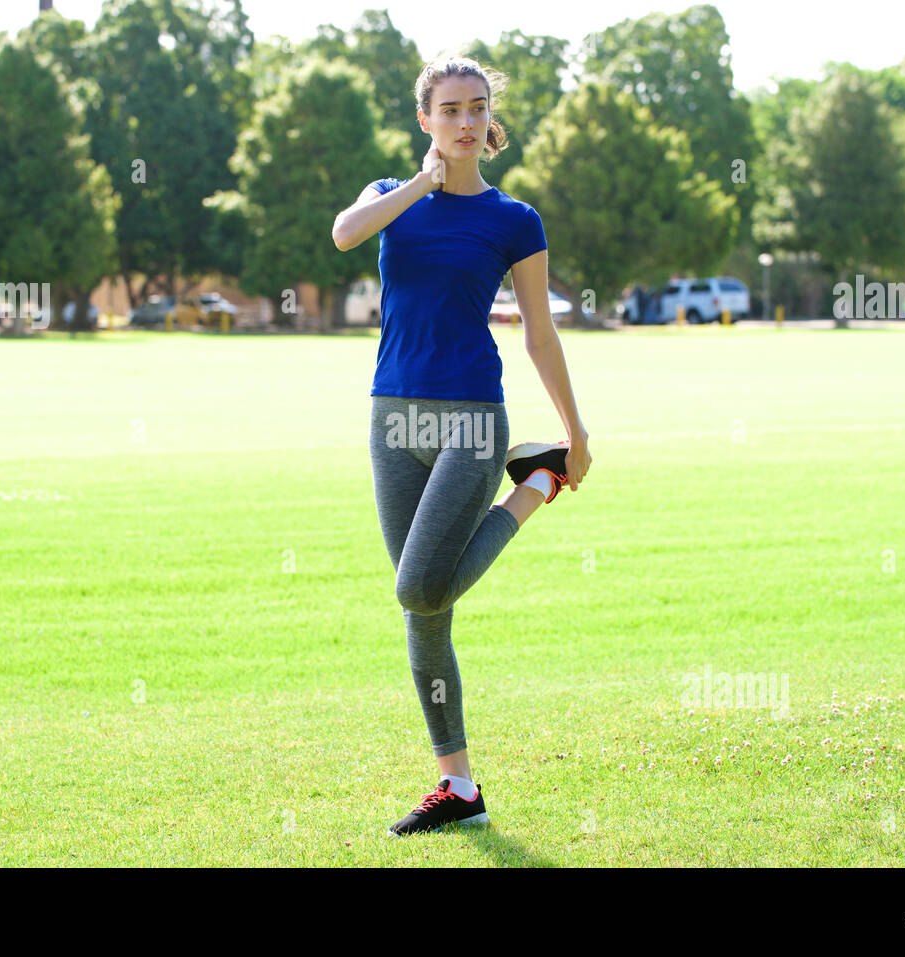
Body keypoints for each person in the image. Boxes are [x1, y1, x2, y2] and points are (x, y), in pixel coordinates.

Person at [331, 54, 592, 836]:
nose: (467, 122)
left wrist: (574, 431)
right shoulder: (389, 197)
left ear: (490, 118)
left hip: (474, 418)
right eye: (450, 110)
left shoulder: (515, 220)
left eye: (477, 108)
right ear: (425, 120)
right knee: (428, 613)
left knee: (417, 588)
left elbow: (540, 333)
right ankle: (460, 787)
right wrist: (420, 185)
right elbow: (344, 235)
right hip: (392, 418)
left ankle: (536, 484)